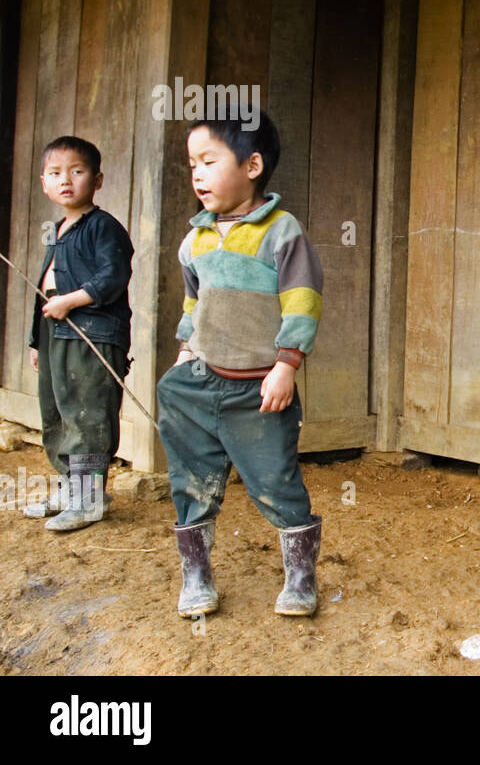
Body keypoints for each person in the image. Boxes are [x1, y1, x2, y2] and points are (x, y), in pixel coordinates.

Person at [156, 107, 324, 618]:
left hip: (259, 388)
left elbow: (302, 299)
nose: (198, 174)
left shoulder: (281, 231)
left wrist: (287, 364)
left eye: (209, 161)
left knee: (275, 480)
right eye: (192, 165)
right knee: (191, 479)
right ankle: (196, 576)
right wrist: (185, 352)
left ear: (251, 166)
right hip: (200, 381)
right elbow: (193, 306)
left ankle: (300, 575)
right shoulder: (195, 240)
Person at [25, 136, 133, 531]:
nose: (65, 180)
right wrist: (37, 341)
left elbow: (113, 276)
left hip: (92, 332)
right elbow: (44, 285)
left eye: (77, 171)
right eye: (55, 173)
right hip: (56, 332)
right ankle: (72, 490)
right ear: (43, 182)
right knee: (56, 409)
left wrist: (70, 302)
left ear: (97, 179)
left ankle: (88, 499)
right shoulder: (58, 229)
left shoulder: (103, 227)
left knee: (87, 412)